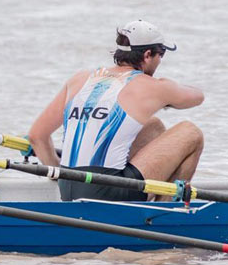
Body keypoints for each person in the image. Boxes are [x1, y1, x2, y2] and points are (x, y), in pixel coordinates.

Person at [28, 19, 204, 202]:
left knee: (153, 126)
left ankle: (147, 206)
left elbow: (36, 136)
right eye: (162, 54)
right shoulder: (152, 86)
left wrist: (58, 174)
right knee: (190, 133)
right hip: (109, 191)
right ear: (147, 54)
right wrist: (167, 90)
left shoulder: (80, 78)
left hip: (68, 186)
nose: (161, 60)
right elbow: (197, 97)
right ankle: (165, 215)